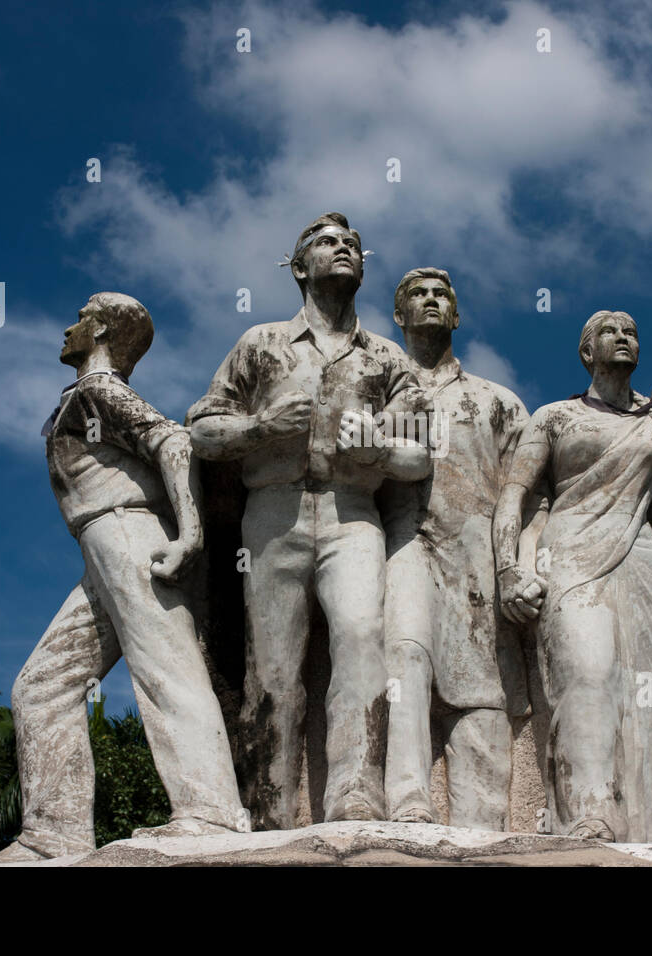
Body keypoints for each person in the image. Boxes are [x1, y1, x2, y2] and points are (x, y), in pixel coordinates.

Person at [187, 213, 430, 829]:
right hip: (272, 514)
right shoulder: (260, 343)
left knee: (360, 641)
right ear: (299, 267)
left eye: (352, 244)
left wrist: (374, 447)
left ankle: (355, 795)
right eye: (327, 243)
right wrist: (260, 429)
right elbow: (202, 431)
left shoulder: (384, 356)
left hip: (353, 515)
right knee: (271, 666)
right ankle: (270, 809)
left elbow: (420, 452)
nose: (343, 248)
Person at [0, 292, 244, 863]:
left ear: (101, 328)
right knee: (41, 687)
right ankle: (53, 836)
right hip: (101, 546)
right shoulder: (83, 393)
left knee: (165, 669)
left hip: (131, 534)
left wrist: (190, 535)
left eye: (79, 317)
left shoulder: (97, 390)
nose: (68, 326)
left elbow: (173, 442)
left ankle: (213, 813)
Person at [492, 310, 652, 842]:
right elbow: (513, 497)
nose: (623, 336)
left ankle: (644, 830)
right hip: (570, 555)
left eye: (632, 330)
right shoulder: (555, 417)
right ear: (586, 352)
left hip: (640, 561)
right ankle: (587, 812)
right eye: (610, 331)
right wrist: (510, 569)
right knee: (587, 675)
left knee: (643, 697)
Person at [380, 267, 542, 830]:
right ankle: (406, 802)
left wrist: (519, 565)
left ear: (456, 314)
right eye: (417, 296)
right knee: (404, 653)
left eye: (441, 295)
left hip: (479, 560)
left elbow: (532, 497)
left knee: (483, 697)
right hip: (404, 542)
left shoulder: (497, 401)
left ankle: (483, 836)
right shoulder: (378, 389)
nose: (430, 301)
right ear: (398, 316)